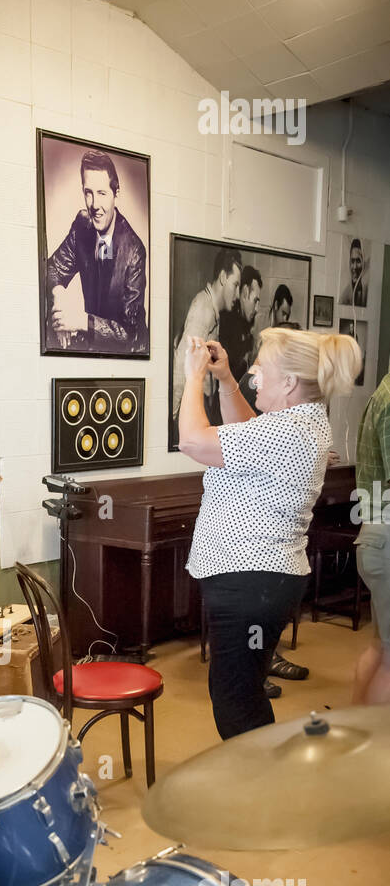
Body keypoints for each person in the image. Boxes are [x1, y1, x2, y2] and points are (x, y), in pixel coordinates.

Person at [179, 326, 362, 738]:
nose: (253, 376)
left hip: (251, 582)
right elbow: (244, 433)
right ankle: (261, 787)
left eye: (260, 369)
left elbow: (192, 441)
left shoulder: (288, 431)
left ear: (290, 382)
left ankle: (259, 794)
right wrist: (223, 379)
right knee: (244, 692)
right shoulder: (297, 423)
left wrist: (192, 377)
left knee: (236, 701)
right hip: (263, 580)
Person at [46, 149, 148, 355]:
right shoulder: (82, 227)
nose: (94, 205)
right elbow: (51, 268)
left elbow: (130, 333)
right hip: (92, 349)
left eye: (102, 193)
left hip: (130, 356)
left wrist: (81, 321)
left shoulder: (135, 251)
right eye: (88, 192)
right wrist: (60, 299)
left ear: (116, 195)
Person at [172, 248, 242, 429]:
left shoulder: (211, 310)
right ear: (223, 277)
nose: (237, 295)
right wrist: (172, 414)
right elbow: (181, 361)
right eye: (235, 285)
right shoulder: (204, 309)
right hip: (191, 405)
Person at [352, 367, 390, 704]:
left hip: (376, 532)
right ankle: (377, 748)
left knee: (380, 648)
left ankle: (355, 735)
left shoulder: (383, 392)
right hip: (387, 537)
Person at [219, 265, 262, 385]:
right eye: (255, 301)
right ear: (245, 292)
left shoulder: (245, 324)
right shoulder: (228, 322)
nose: (257, 308)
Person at [340, 238, 367, 309]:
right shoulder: (344, 297)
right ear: (349, 263)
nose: (354, 267)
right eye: (352, 261)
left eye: (358, 261)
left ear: (363, 263)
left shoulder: (366, 292)